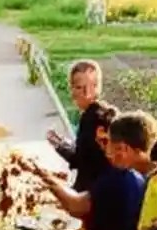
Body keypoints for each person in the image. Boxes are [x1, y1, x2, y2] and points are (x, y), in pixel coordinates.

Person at [24, 102, 144, 230]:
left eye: (106, 141)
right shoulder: (136, 173)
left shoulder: (118, 176)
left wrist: (41, 174)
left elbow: (75, 206)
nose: (104, 148)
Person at [47, 60, 110, 192]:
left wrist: (60, 146)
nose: (87, 93)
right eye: (80, 87)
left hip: (94, 192)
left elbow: (82, 160)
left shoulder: (93, 118)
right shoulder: (99, 113)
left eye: (93, 86)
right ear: (71, 89)